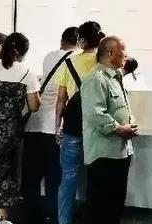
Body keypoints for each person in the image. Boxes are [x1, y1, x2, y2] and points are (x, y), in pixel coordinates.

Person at [23, 27, 79, 224]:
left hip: (34, 123)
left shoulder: (48, 56)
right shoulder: (76, 59)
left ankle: (31, 216)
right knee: (54, 177)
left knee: (31, 176)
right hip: (52, 126)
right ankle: (53, 216)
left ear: (62, 40)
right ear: (79, 42)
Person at [81, 36, 137, 224]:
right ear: (111, 53)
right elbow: (96, 113)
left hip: (120, 152)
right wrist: (119, 129)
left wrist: (131, 122)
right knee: (101, 209)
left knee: (115, 207)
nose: (126, 55)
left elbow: (122, 107)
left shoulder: (116, 78)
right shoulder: (96, 79)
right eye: (123, 50)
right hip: (103, 155)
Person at [55, 21, 104, 224]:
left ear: (80, 40)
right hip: (98, 127)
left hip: (73, 125)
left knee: (68, 178)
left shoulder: (69, 63)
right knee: (98, 179)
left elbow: (61, 99)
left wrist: (57, 125)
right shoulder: (104, 63)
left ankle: (64, 220)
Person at [0, 33, 40, 222]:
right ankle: (2, 217)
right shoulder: (27, 73)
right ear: (24, 52)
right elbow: (34, 106)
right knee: (5, 171)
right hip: (9, 130)